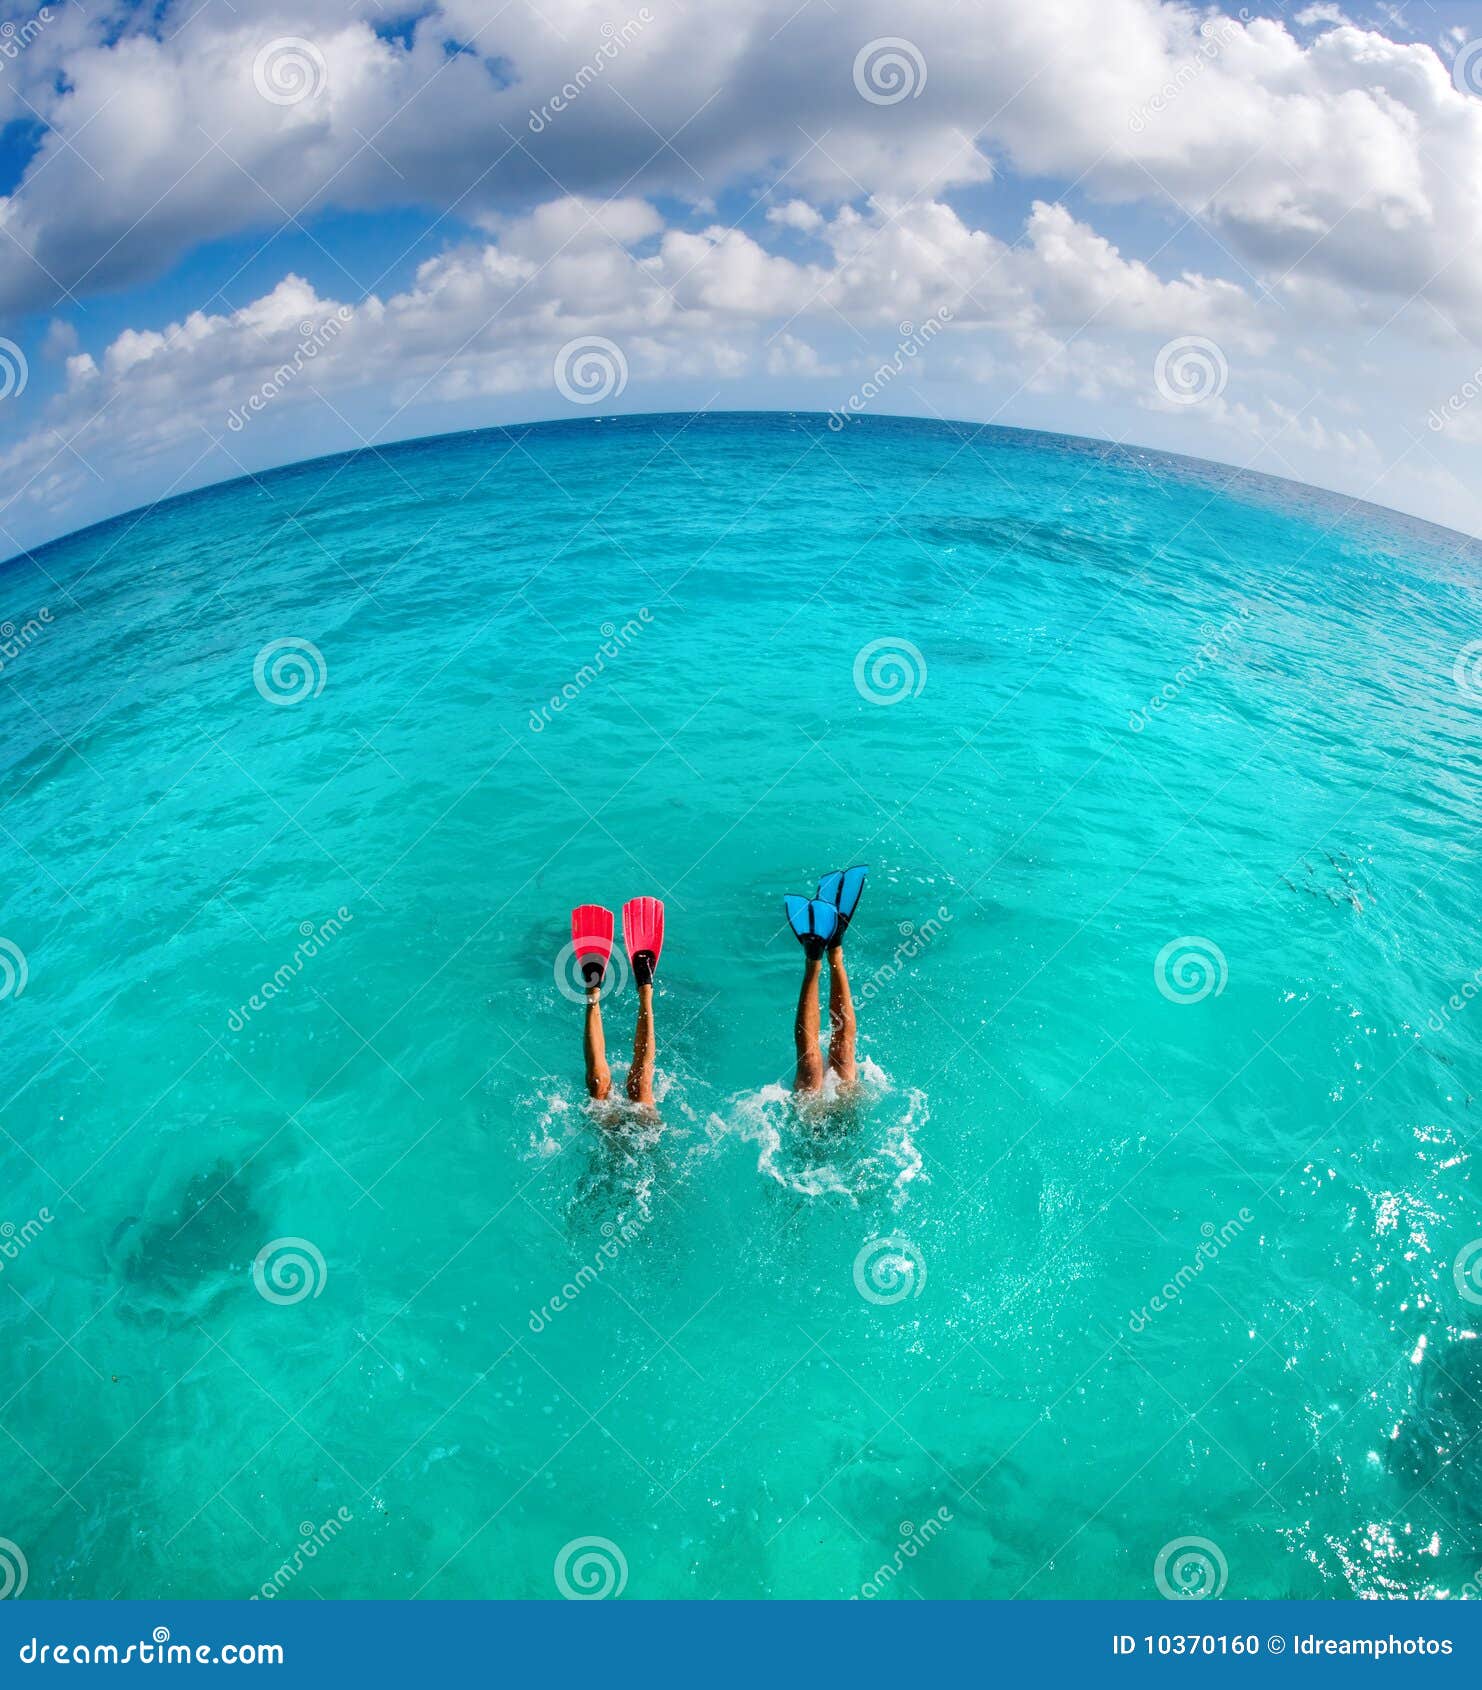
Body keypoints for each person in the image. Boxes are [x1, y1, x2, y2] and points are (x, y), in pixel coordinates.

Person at [571, 897, 664, 1109]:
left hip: (611, 1133)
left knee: (597, 1085)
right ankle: (645, 988)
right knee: (640, 1088)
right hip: (643, 1131)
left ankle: (592, 985)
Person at [785, 866, 867, 1096]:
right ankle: (822, 952)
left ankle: (831, 950)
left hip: (828, 1119)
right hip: (838, 1117)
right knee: (816, 1059)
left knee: (834, 1055)